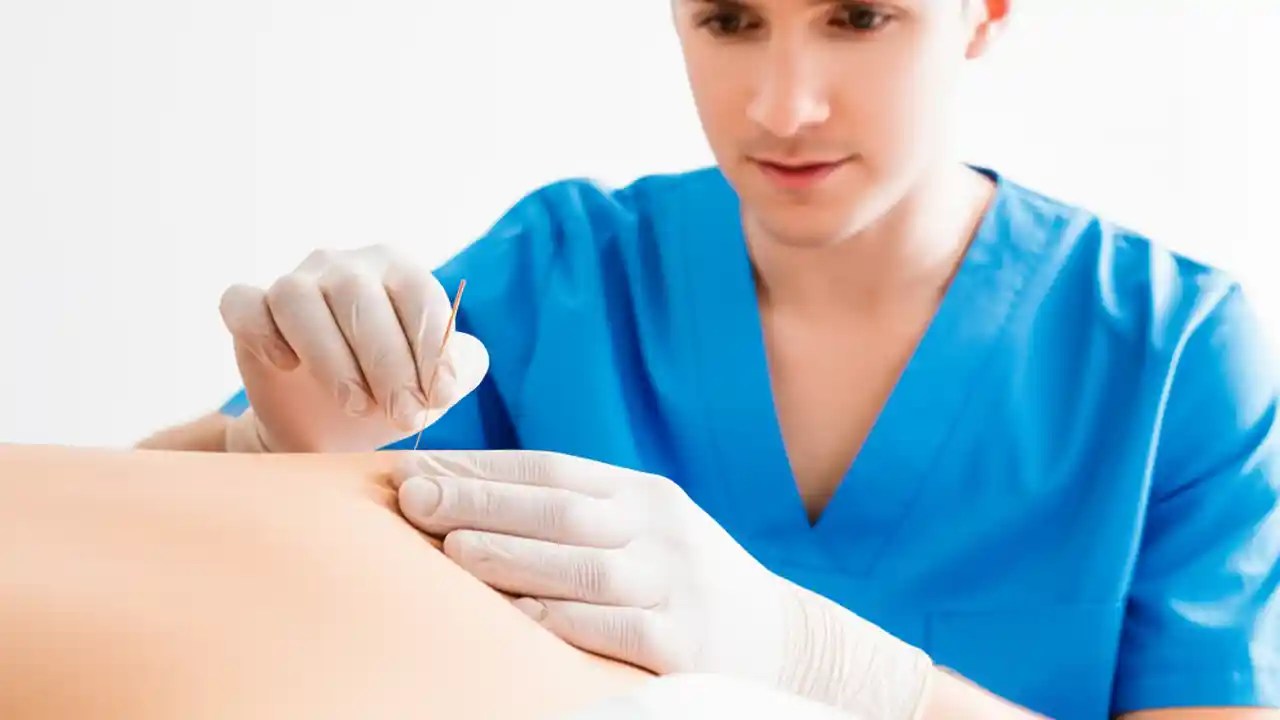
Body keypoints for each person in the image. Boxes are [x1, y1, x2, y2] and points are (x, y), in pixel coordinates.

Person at [140, 0, 1280, 718]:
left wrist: (834, 671)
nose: (782, 106)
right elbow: (117, 559)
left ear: (984, 12)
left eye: (858, 17)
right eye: (730, 21)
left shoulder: (1172, 350)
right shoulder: (565, 274)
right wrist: (277, 439)